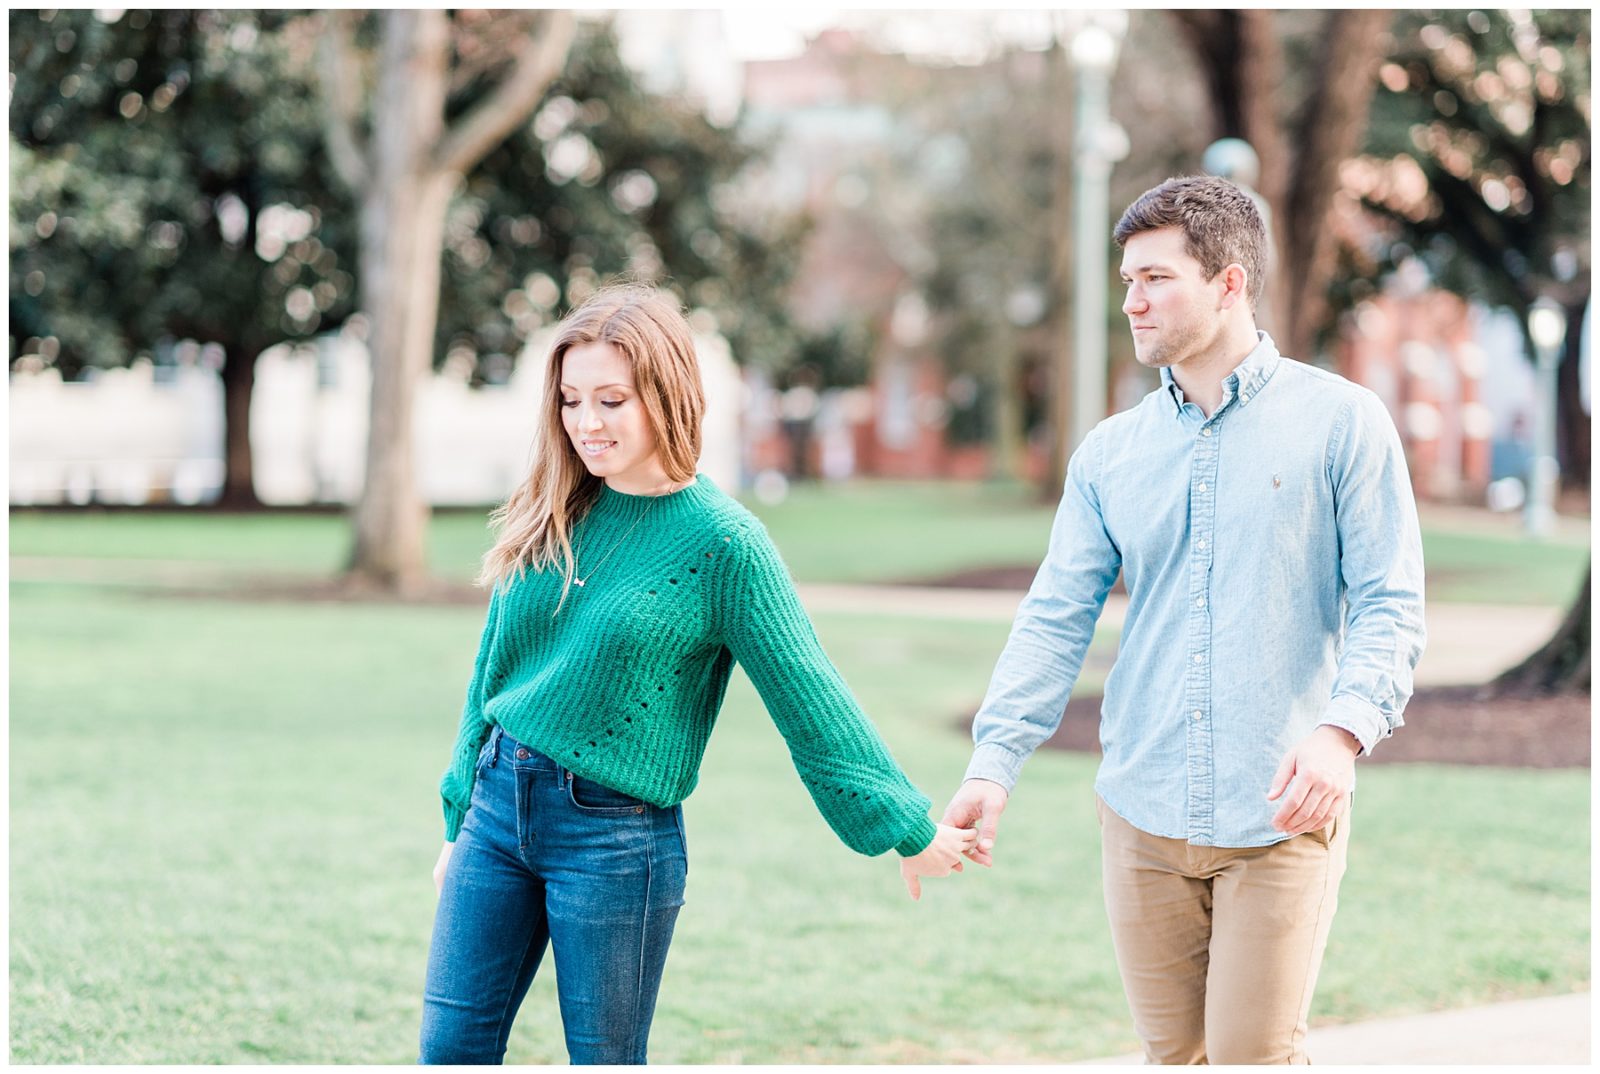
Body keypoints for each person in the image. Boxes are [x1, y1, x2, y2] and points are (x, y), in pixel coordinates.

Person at [418, 283, 974, 1065]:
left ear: (667, 395)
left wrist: (904, 829)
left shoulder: (724, 545)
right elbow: (493, 667)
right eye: (572, 400)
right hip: (497, 812)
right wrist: (458, 816)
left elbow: (810, 700)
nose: (586, 422)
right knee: (449, 1053)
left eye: (611, 399)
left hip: (614, 840)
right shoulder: (554, 501)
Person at [940, 176, 1426, 1064]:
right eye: (1128, 279)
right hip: (1141, 812)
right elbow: (1055, 619)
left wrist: (1341, 733)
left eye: (1156, 277)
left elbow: (1391, 600)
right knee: (1174, 1061)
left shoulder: (1341, 422)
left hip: (1279, 813)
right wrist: (994, 762)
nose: (1132, 301)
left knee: (1252, 1059)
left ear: (1229, 283)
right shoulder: (1111, 454)